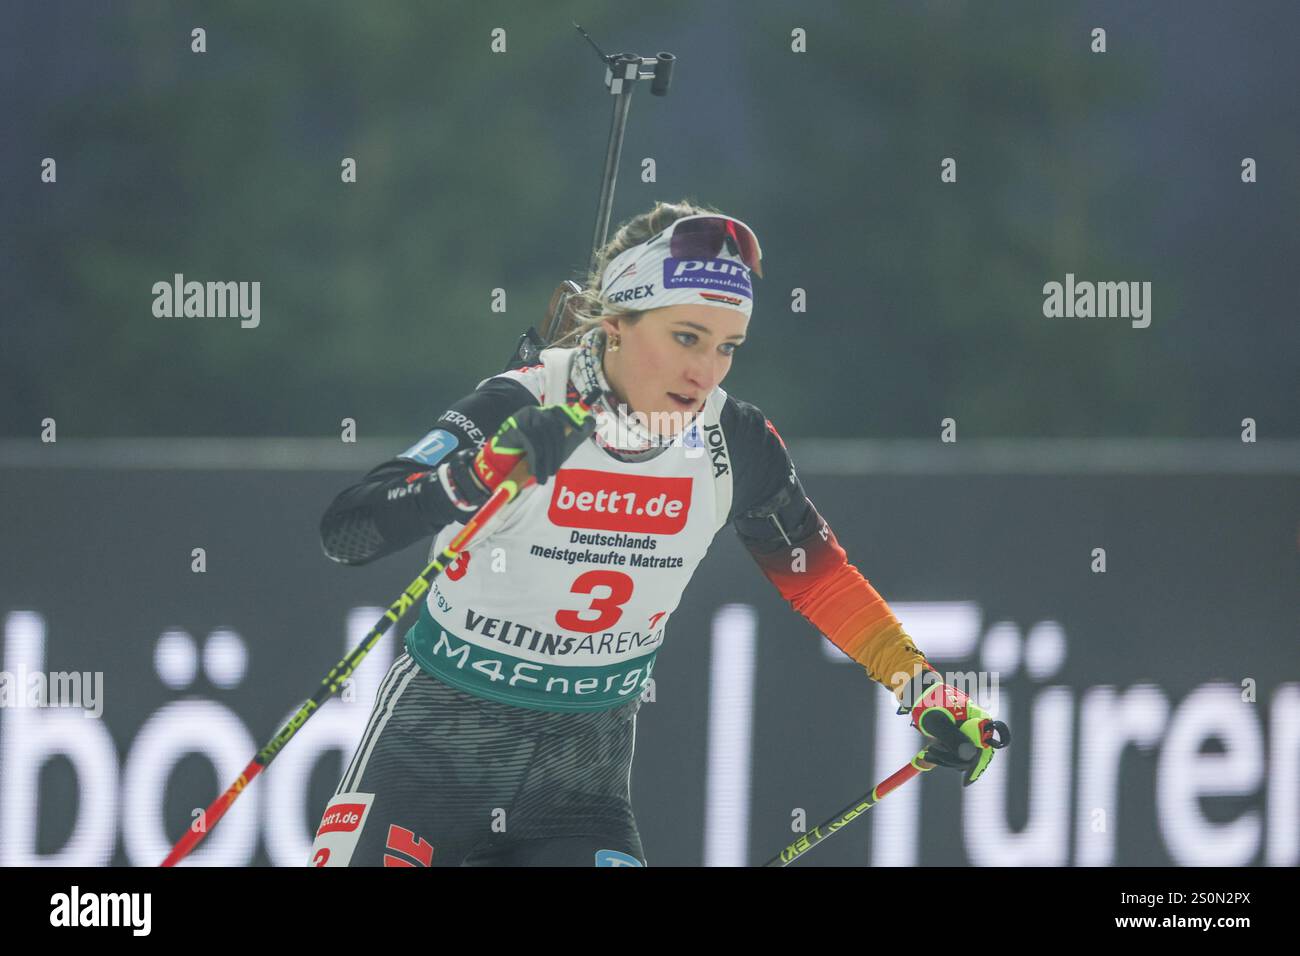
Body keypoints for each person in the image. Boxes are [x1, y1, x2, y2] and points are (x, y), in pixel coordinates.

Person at [307, 199, 1002, 867]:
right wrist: (475, 475)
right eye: (685, 337)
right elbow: (349, 530)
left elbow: (820, 581)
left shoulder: (735, 441)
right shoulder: (523, 401)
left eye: (728, 347)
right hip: (432, 757)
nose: (705, 370)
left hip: (579, 785)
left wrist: (926, 690)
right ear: (616, 323)